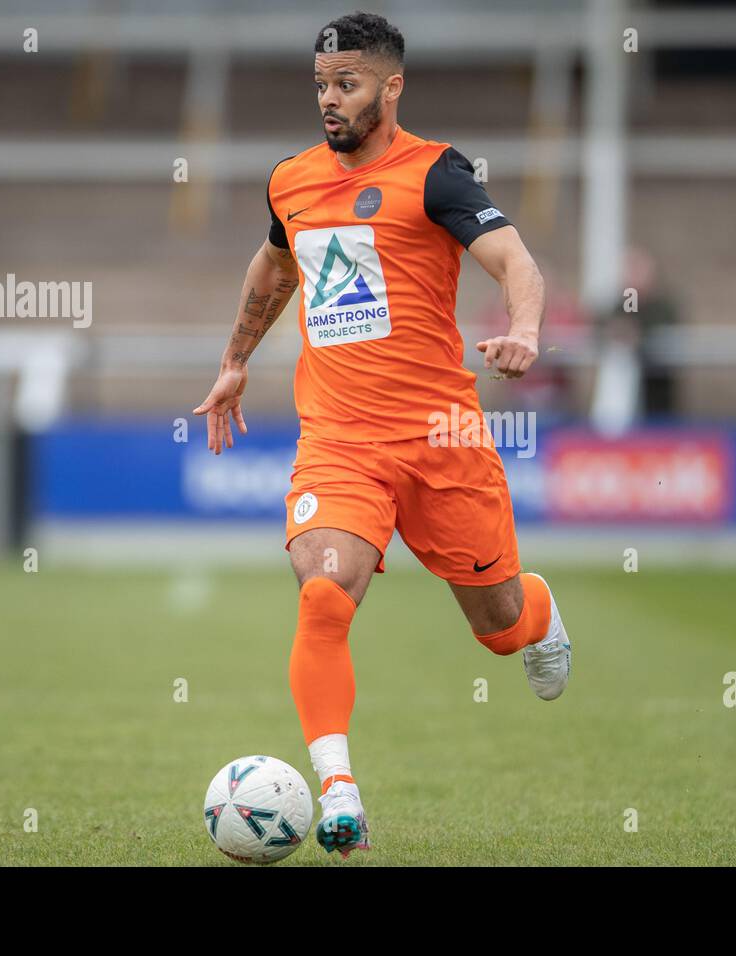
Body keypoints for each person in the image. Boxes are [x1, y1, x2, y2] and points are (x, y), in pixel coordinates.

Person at [192, 12, 571, 858]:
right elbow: (276, 262)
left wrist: (526, 329)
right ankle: (338, 792)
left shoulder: (437, 173)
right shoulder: (290, 179)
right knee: (325, 592)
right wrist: (234, 359)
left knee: (498, 626)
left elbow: (516, 261)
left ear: (391, 87)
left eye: (349, 84)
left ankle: (539, 614)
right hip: (339, 438)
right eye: (322, 84)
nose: (331, 99)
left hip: (442, 438)